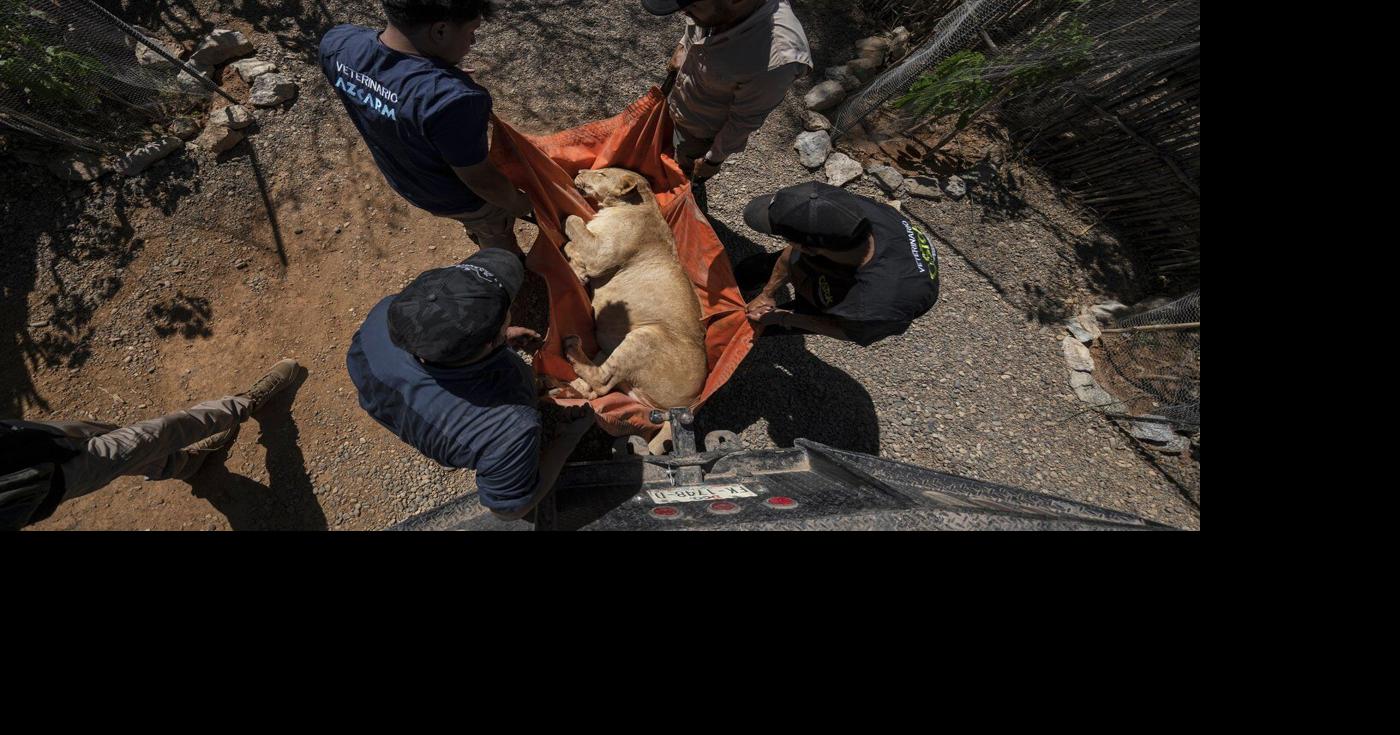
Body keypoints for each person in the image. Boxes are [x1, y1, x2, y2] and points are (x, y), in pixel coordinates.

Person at [346, 249, 593, 521]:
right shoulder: (509, 428)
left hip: (389, 403)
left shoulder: (383, 316)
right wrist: (569, 437)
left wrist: (497, 336)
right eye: (503, 321)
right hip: (461, 429)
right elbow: (509, 510)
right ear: (490, 344)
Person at [319, 0, 533, 255]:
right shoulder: (454, 101)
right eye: (471, 32)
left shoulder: (337, 44)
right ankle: (504, 269)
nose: (473, 42)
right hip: (462, 198)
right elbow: (481, 180)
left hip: (409, 181)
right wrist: (518, 203)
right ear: (440, 31)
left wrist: (433, 72)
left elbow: (388, 84)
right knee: (493, 228)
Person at [1, 359, 301, 531]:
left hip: (18, 440)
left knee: (96, 432)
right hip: (32, 483)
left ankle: (185, 464)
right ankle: (245, 404)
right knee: (152, 435)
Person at [737, 182, 940, 346]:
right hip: (827, 255)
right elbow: (796, 246)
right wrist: (768, 293)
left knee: (759, 325)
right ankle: (743, 286)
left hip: (853, 306)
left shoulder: (873, 307)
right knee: (756, 268)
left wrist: (782, 318)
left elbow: (843, 329)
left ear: (810, 249)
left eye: (785, 237)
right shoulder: (847, 210)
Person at [645, 0, 812, 182]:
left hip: (698, 133)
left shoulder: (778, 61)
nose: (684, 13)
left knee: (681, 173)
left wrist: (712, 159)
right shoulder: (714, 10)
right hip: (679, 104)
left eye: (691, 7)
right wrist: (683, 45)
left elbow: (744, 120)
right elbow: (695, 26)